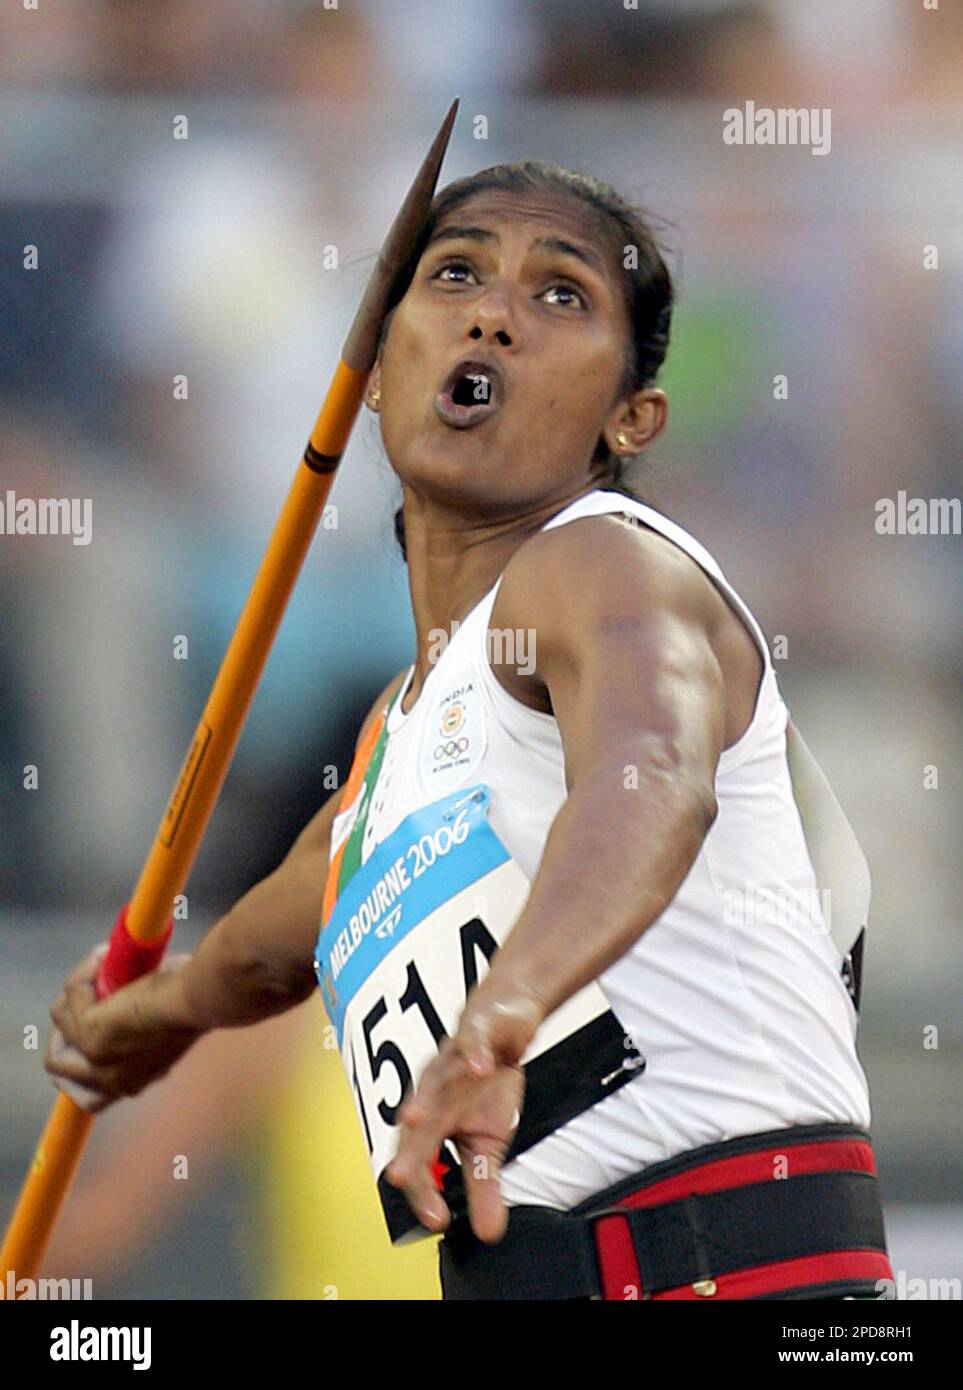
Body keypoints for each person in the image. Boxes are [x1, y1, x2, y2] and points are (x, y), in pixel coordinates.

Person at [46, 161, 894, 1301]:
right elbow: (269, 944)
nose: (494, 310)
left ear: (628, 417)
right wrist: (146, 1013)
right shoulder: (398, 733)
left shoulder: (605, 564)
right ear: (378, 378)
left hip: (742, 1274)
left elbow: (652, 774)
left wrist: (503, 1014)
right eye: (455, 275)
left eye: (561, 295)